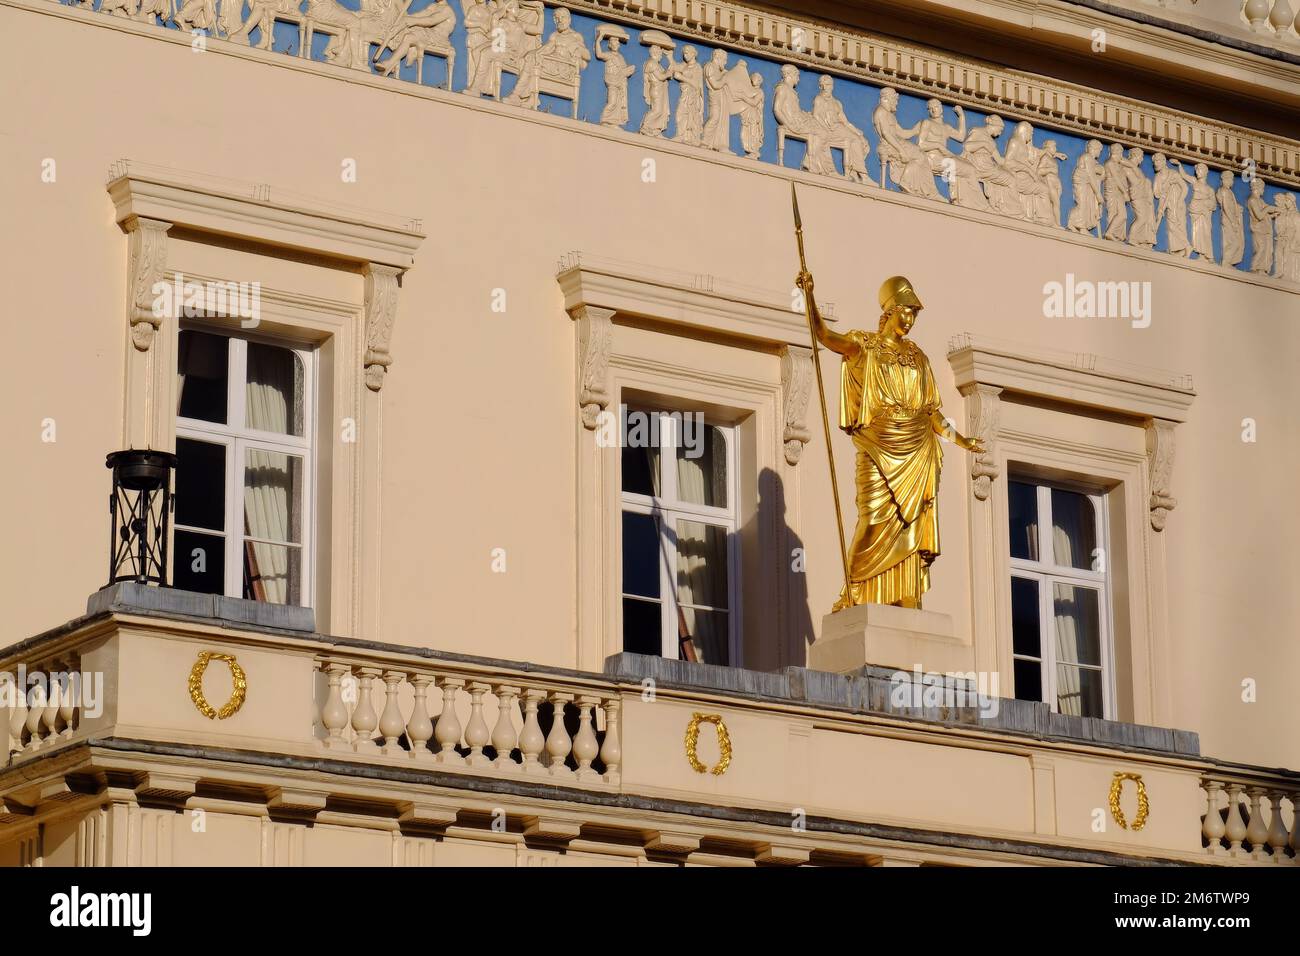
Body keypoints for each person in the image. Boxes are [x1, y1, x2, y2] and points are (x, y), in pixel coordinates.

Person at [795, 270, 984, 611]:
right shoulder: (864, 345)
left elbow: (932, 414)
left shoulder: (919, 357)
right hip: (876, 443)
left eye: (914, 312)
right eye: (906, 310)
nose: (910, 319)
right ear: (890, 311)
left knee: (911, 520)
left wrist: (961, 440)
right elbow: (823, 335)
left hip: (917, 448)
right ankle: (853, 590)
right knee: (871, 519)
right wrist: (809, 295)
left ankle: (907, 593)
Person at [916, 99, 985, 209]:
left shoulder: (946, 127)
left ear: (942, 108)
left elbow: (961, 137)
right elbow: (921, 144)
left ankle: (968, 201)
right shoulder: (927, 123)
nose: (934, 110)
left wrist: (962, 116)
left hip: (943, 159)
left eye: (936, 106)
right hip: (932, 158)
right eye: (931, 108)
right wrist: (938, 146)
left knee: (969, 166)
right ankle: (978, 204)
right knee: (968, 169)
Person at [813, 76, 870, 184]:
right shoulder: (819, 99)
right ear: (821, 86)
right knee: (856, 141)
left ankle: (855, 172)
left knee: (861, 140)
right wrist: (825, 129)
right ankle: (863, 175)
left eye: (831, 84)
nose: (829, 87)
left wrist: (857, 131)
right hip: (829, 130)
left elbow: (845, 122)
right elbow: (816, 116)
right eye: (827, 84)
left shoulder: (837, 103)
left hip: (839, 129)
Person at [596, 30, 635, 128]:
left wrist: (629, 70)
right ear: (609, 45)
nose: (617, 44)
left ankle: (613, 122)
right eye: (614, 42)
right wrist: (598, 41)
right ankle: (604, 120)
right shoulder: (609, 55)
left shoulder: (620, 56)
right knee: (612, 102)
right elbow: (599, 54)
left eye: (617, 42)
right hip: (612, 81)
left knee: (618, 103)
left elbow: (622, 70)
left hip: (620, 83)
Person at [1067, 139, 1104, 235]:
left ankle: (1075, 225)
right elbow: (1091, 175)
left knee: (1086, 204)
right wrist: (1098, 194)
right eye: (1099, 150)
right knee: (1083, 204)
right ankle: (1079, 226)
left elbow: (1096, 172)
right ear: (1094, 149)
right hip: (1082, 182)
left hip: (1086, 183)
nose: (1100, 153)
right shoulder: (1087, 157)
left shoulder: (1091, 160)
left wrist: (1100, 171)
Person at [669, 46, 704, 146]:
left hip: (693, 97)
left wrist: (681, 77)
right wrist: (670, 56)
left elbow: (697, 85)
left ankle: (690, 137)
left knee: (689, 116)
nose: (685, 55)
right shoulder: (685, 66)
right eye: (684, 53)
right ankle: (681, 135)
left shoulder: (697, 67)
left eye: (687, 53)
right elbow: (675, 66)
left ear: (694, 54)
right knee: (680, 113)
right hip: (685, 94)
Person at [640, 44, 671, 137]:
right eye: (660, 53)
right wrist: (668, 74)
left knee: (661, 111)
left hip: (660, 90)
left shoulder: (656, 64)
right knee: (656, 110)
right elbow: (661, 76)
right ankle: (645, 126)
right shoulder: (652, 63)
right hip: (656, 90)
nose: (661, 56)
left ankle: (654, 130)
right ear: (655, 53)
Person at [1217, 170, 1244, 268]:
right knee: (1235, 242)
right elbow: (1226, 207)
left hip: (1229, 219)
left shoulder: (1227, 191)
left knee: (1231, 241)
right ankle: (1226, 262)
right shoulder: (1225, 191)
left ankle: (1228, 262)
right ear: (1225, 179)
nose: (1232, 181)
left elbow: (1230, 205)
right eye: (1230, 179)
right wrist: (1233, 222)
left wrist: (1237, 207)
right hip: (1228, 219)